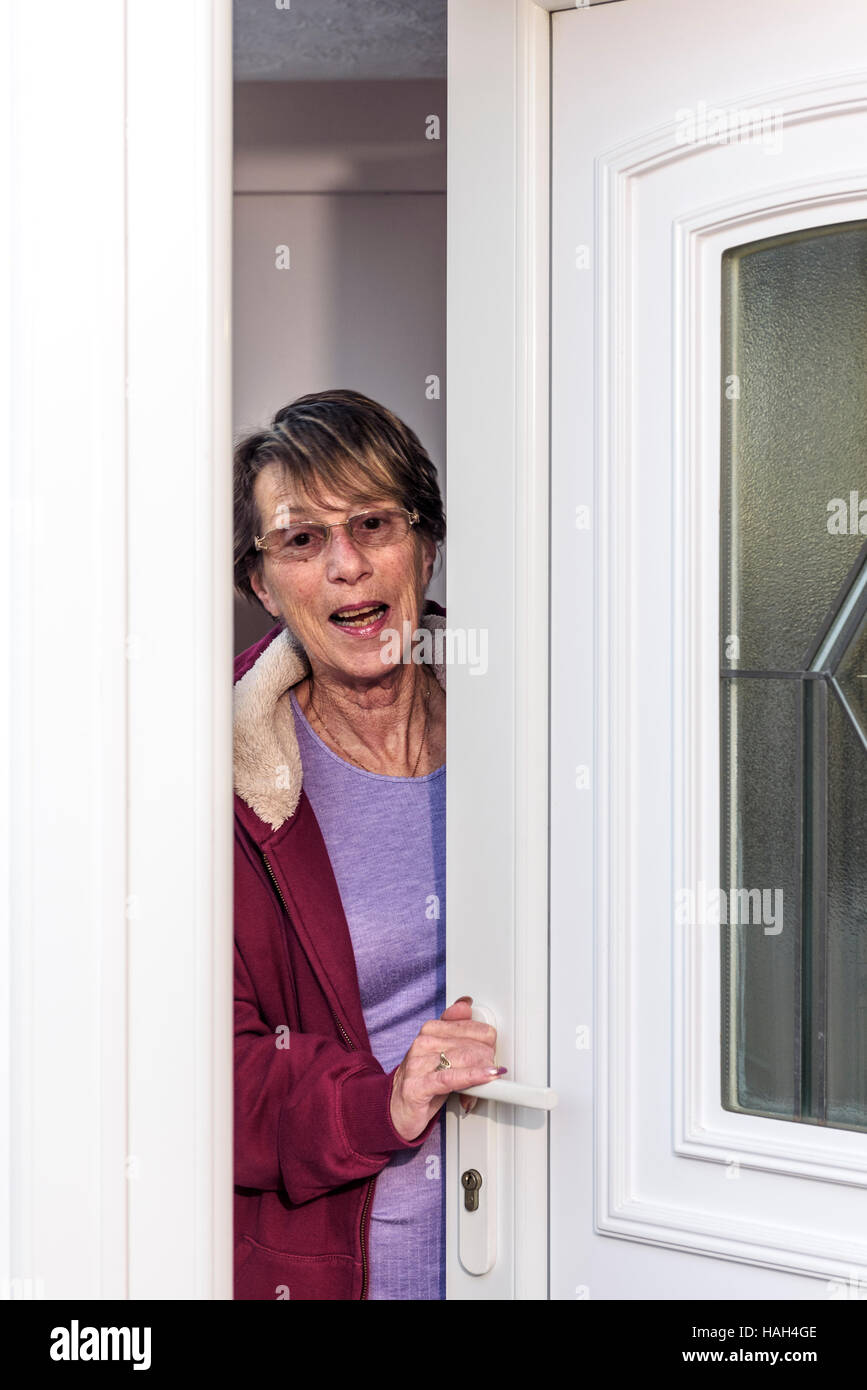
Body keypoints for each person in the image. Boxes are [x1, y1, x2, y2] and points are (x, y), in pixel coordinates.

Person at [232, 388, 504, 1300]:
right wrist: (381, 1099)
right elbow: (199, 1072)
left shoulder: (530, 722)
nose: (347, 565)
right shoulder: (211, 780)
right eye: (301, 540)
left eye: (373, 523)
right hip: (343, 1271)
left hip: (545, 1237)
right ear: (262, 586)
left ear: (425, 545)